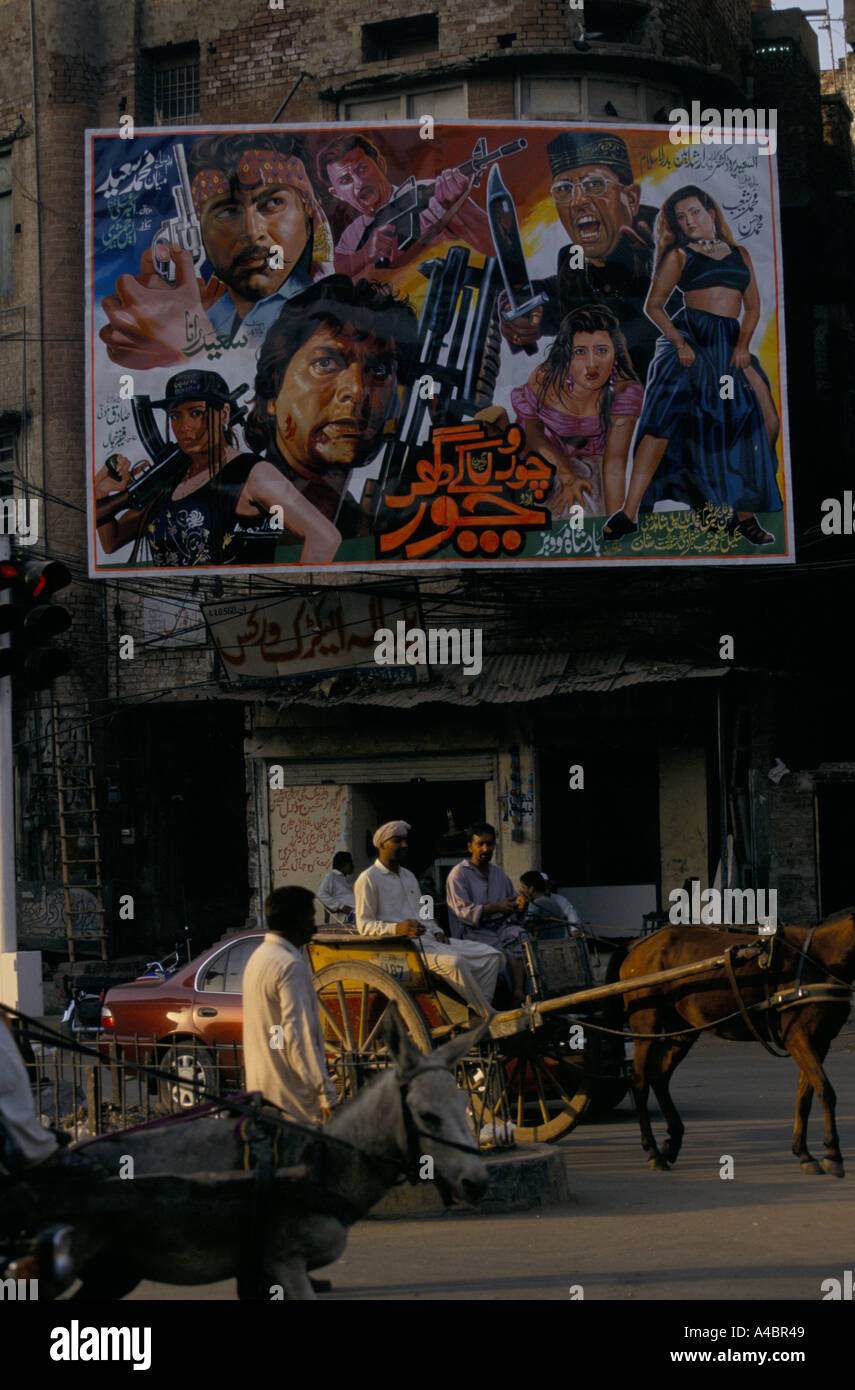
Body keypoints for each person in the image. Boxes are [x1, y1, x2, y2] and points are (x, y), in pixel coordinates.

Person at [603, 185, 782, 546]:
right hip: (689, 341)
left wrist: (743, 345)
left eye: (695, 212)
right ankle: (629, 513)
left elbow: (753, 306)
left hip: (729, 344)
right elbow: (653, 306)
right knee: (661, 423)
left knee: (762, 421)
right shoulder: (679, 256)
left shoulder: (739, 253)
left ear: (711, 212)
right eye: (682, 218)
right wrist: (680, 342)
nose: (690, 221)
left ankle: (742, 514)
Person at [99, 132, 334, 367]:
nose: (252, 232)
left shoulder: (327, 313)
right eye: (227, 212)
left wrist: (191, 353)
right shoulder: (211, 314)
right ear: (201, 230)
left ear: (309, 214)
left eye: (273, 203)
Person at [95, 369, 341, 565]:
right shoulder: (170, 480)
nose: (184, 427)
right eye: (175, 416)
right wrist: (100, 492)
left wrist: (296, 603)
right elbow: (111, 542)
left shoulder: (253, 472)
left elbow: (324, 538)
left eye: (195, 413)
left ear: (224, 415)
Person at [244, 276, 418, 537]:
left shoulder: (361, 523)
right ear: (273, 395)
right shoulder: (237, 510)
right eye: (325, 363)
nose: (358, 391)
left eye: (378, 369)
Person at [500, 132, 658, 383]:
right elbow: (552, 295)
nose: (578, 201)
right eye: (564, 189)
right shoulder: (573, 263)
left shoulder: (670, 243)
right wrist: (517, 311)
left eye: (595, 185)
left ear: (631, 198)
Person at [354, 821, 501, 1019]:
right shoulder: (367, 879)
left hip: (428, 942)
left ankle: (476, 1012)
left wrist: (436, 929)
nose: (405, 845)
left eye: (405, 840)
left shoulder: (409, 876)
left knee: (491, 956)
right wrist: (397, 929)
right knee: (454, 962)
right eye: (398, 841)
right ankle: (487, 1014)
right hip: (400, 949)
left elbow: (424, 913)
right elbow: (364, 925)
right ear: (382, 845)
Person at [511, 305, 643, 518]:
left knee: (590, 510)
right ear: (566, 355)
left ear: (614, 353)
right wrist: (566, 476)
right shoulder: (544, 381)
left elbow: (615, 463)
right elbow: (533, 435)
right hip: (541, 459)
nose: (592, 364)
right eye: (580, 352)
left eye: (601, 350)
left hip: (592, 465)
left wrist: (615, 524)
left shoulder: (625, 391)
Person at [315, 133, 494, 278]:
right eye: (345, 180)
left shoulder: (427, 193)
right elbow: (332, 276)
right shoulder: (353, 234)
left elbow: (495, 246)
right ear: (337, 193)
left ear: (380, 164)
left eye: (362, 169)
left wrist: (457, 206)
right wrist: (366, 253)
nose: (359, 183)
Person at [241, 885, 337, 1127]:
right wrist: (326, 1096)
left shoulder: (259, 958)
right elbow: (298, 1038)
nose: (314, 924)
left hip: (262, 1091)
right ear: (298, 921)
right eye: (311, 916)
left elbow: (277, 1033)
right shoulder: (289, 965)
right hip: (294, 1101)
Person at [445, 822, 529, 1006]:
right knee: (496, 955)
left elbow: (513, 899)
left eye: (490, 844)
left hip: (499, 929)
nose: (486, 848)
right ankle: (499, 1004)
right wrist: (496, 907)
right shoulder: (458, 875)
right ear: (470, 847)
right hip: (472, 933)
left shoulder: (498, 873)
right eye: (480, 844)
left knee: (520, 936)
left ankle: (519, 992)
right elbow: (463, 912)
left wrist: (520, 904)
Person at [516, 872, 578, 941]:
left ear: (531, 888)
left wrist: (520, 910)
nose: (521, 890)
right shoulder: (552, 901)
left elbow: (526, 926)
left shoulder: (537, 903)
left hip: (545, 943)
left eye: (523, 887)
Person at [317, 852, 356, 923]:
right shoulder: (331, 876)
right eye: (350, 863)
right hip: (348, 918)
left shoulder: (344, 879)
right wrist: (341, 906)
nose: (352, 866)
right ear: (344, 864)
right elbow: (321, 894)